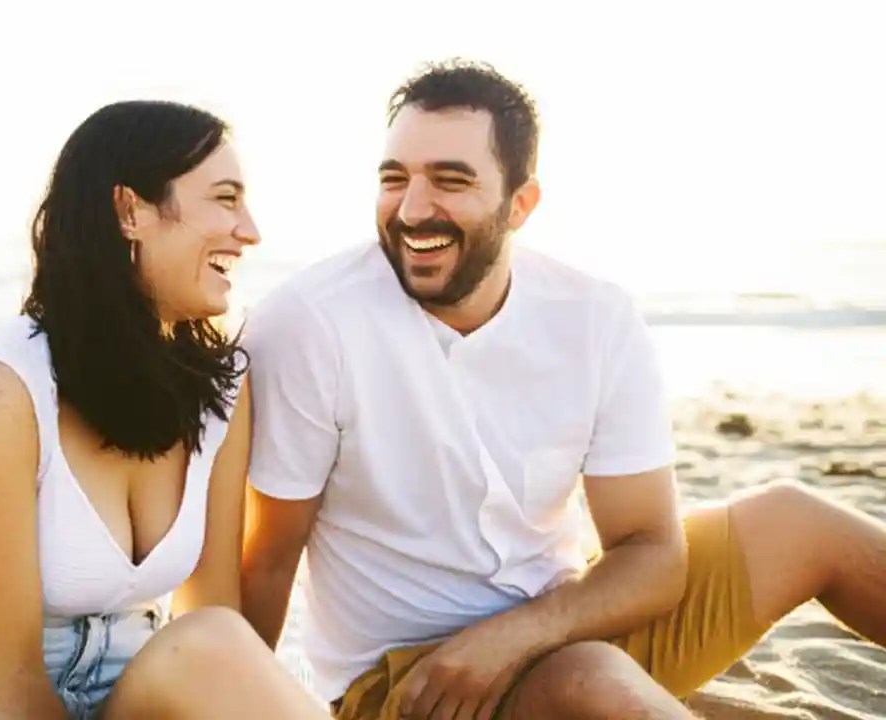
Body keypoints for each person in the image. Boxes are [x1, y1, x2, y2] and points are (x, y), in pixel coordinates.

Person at [240, 58, 886, 720]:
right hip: (409, 688)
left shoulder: (593, 317)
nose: (411, 209)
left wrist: (518, 636)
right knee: (589, 678)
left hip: (564, 625)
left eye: (450, 181)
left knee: (799, 522)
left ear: (520, 204)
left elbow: (653, 554)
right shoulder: (310, 324)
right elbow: (264, 563)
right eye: (394, 179)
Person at [0, 99, 328, 719]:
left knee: (216, 641)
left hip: (130, 693)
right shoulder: (1, 392)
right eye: (225, 200)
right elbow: (14, 694)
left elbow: (211, 619)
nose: (249, 231)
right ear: (129, 211)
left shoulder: (221, 389)